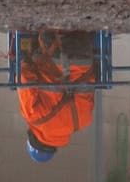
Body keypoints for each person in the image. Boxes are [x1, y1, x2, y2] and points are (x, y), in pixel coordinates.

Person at [14, 31, 97, 163]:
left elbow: (91, 84)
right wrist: (23, 61)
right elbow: (24, 78)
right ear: (33, 138)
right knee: (40, 32)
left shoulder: (83, 121)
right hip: (54, 51)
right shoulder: (33, 116)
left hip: (84, 53)